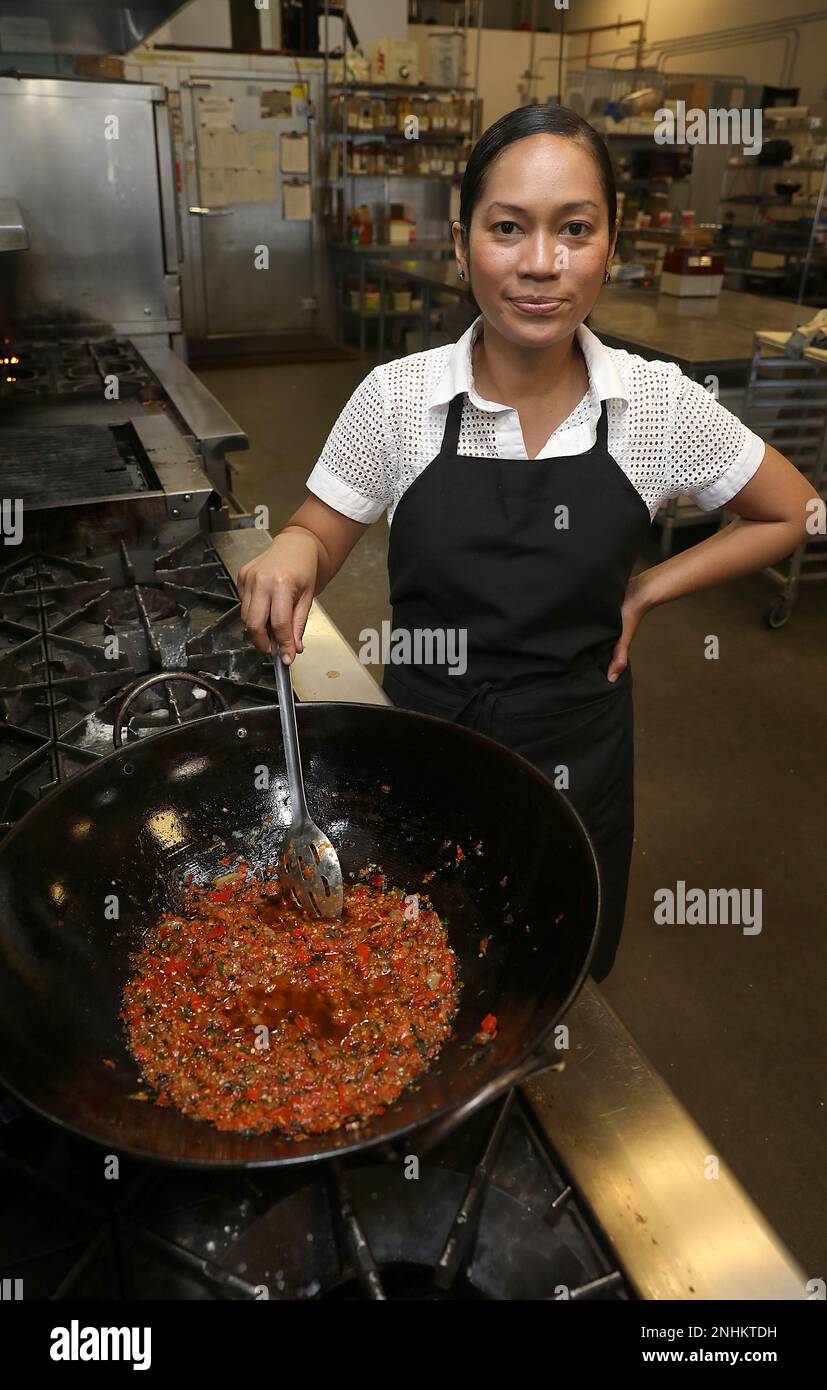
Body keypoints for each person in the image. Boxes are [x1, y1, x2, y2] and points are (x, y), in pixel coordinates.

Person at [238, 104, 817, 981]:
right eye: (508, 228)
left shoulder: (653, 405)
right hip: (429, 742)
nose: (541, 264)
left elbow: (794, 512)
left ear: (611, 245)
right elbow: (321, 529)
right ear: (461, 242)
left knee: (557, 970)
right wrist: (291, 548)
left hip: (576, 756)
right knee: (424, 969)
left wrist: (649, 589)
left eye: (574, 230)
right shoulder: (398, 399)